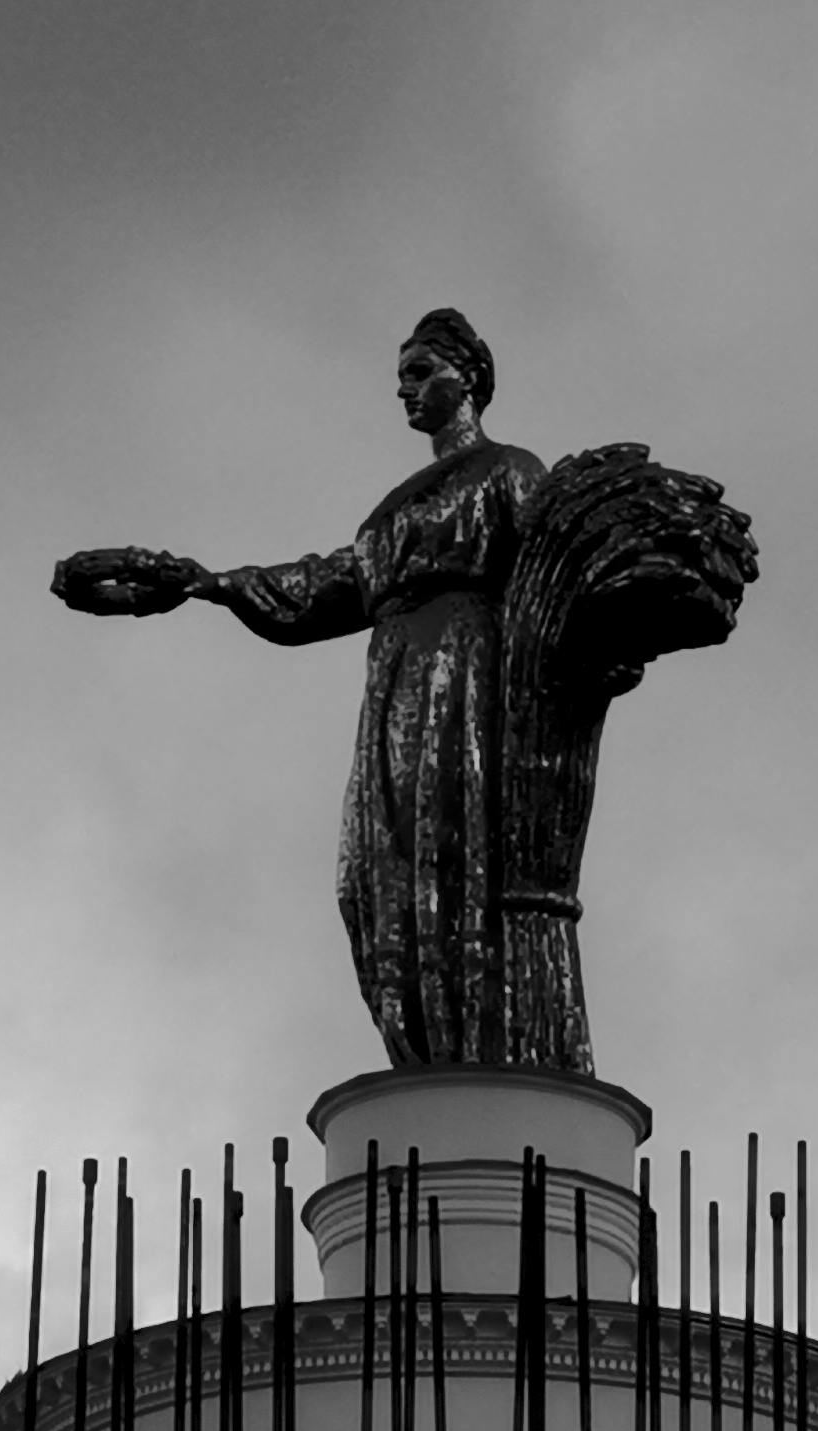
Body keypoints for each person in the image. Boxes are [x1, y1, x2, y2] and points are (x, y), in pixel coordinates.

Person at [65, 308, 549, 1069]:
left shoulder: (509, 473)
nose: (405, 390)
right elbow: (336, 581)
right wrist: (210, 583)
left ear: (470, 377)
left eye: (421, 372)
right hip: (396, 681)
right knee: (375, 869)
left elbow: (547, 587)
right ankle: (420, 1054)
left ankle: (482, 1046)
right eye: (400, 379)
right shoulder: (390, 511)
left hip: (467, 677)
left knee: (454, 848)